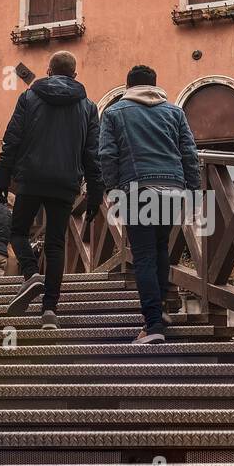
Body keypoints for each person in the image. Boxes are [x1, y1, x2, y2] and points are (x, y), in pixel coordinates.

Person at [0, 50, 103, 329]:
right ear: (75, 75)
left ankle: (30, 274)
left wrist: (2, 178)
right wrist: (95, 192)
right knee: (56, 245)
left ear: (49, 71)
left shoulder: (29, 97)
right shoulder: (89, 107)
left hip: (30, 179)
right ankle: (50, 311)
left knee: (17, 232)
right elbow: (93, 155)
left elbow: (12, 140)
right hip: (65, 184)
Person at [98, 64, 199, 343]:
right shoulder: (175, 112)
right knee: (160, 249)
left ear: (128, 86)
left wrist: (113, 189)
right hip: (173, 190)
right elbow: (189, 153)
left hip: (137, 190)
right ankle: (162, 308)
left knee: (142, 255)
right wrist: (194, 189)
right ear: (155, 85)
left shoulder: (115, 112)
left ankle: (153, 325)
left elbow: (107, 154)